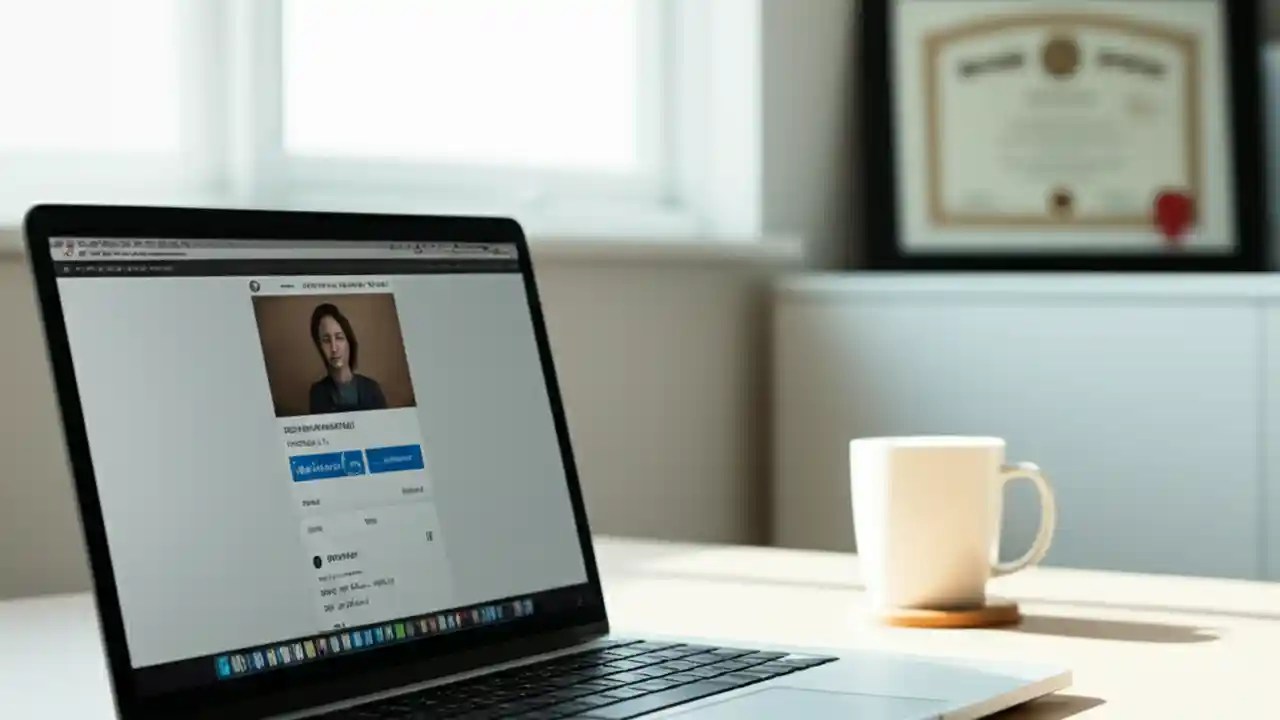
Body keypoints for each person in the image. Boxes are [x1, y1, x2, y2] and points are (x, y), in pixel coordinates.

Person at [308, 303, 388, 414]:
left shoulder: (372, 389)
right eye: (326, 340)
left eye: (339, 338)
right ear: (320, 346)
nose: (334, 348)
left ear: (349, 342)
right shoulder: (318, 393)